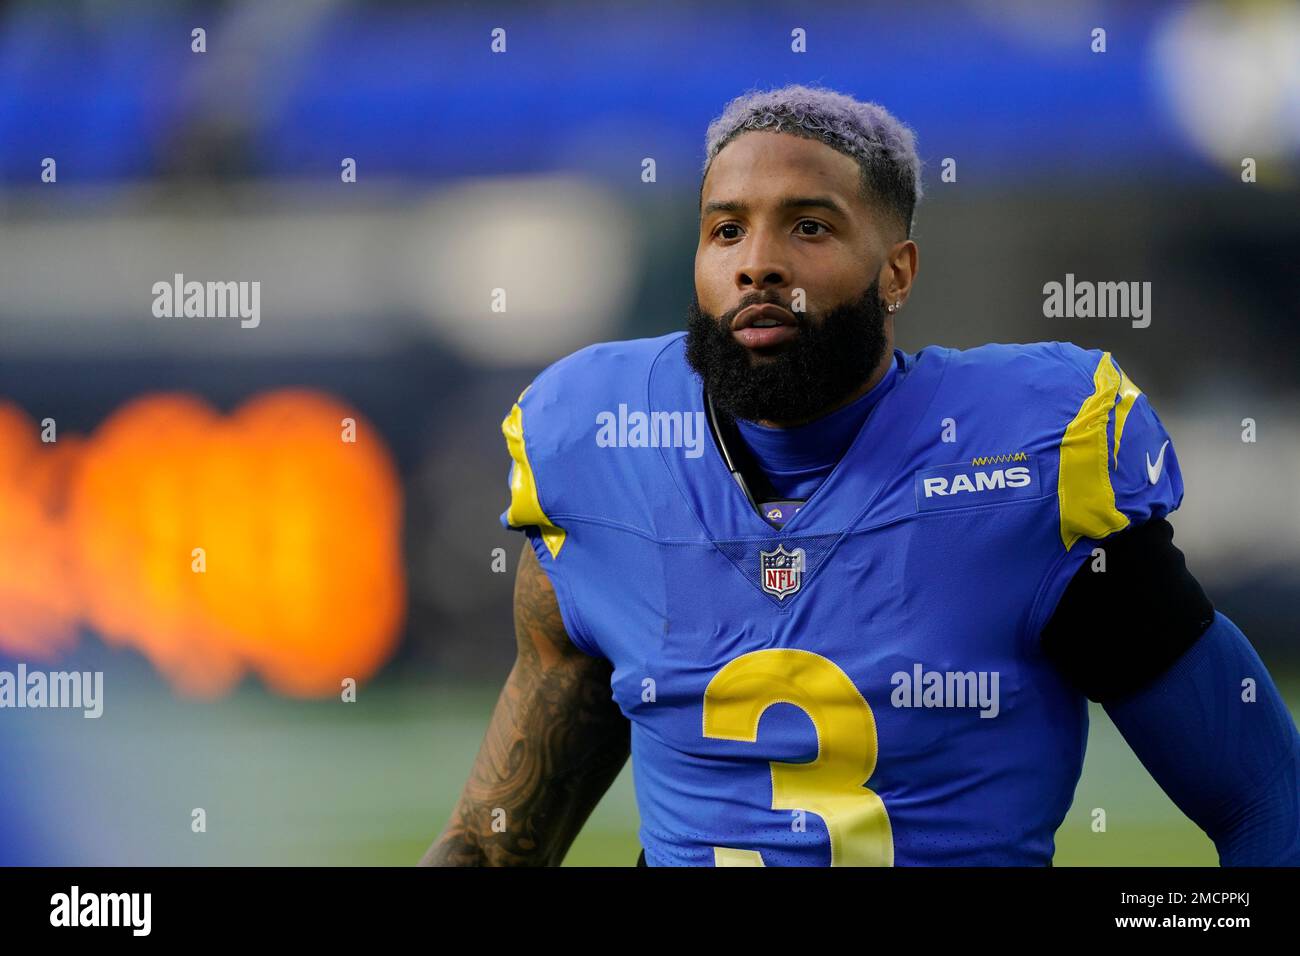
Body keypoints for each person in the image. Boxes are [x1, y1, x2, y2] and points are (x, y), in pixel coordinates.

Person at [421, 85, 1300, 866]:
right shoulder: (604, 448)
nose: (755, 261)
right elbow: (492, 847)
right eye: (726, 228)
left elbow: (1264, 801)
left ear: (897, 274)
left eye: (809, 225)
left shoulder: (1028, 464)